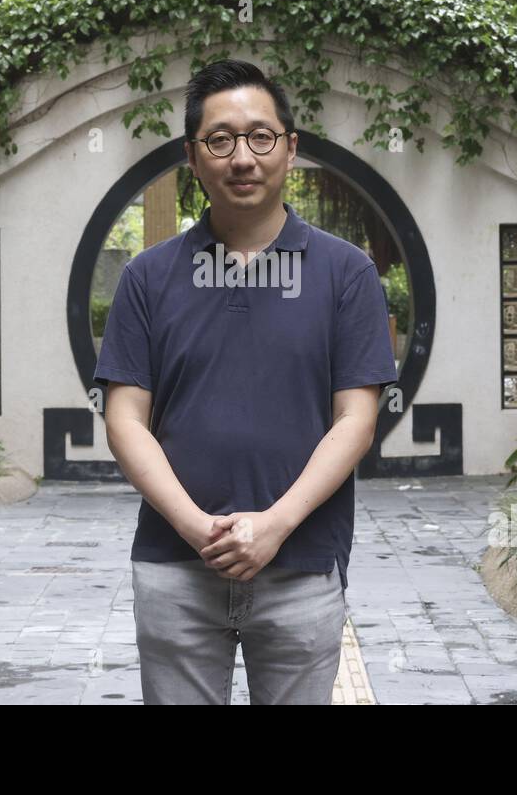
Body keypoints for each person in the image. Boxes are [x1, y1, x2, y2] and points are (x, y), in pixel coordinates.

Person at [94, 58, 399, 704]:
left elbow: (357, 421)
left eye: (261, 137)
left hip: (301, 566)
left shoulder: (347, 275)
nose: (243, 156)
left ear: (290, 150)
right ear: (193, 156)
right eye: (221, 139)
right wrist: (197, 528)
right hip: (175, 569)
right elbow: (124, 419)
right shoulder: (147, 279)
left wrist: (276, 525)